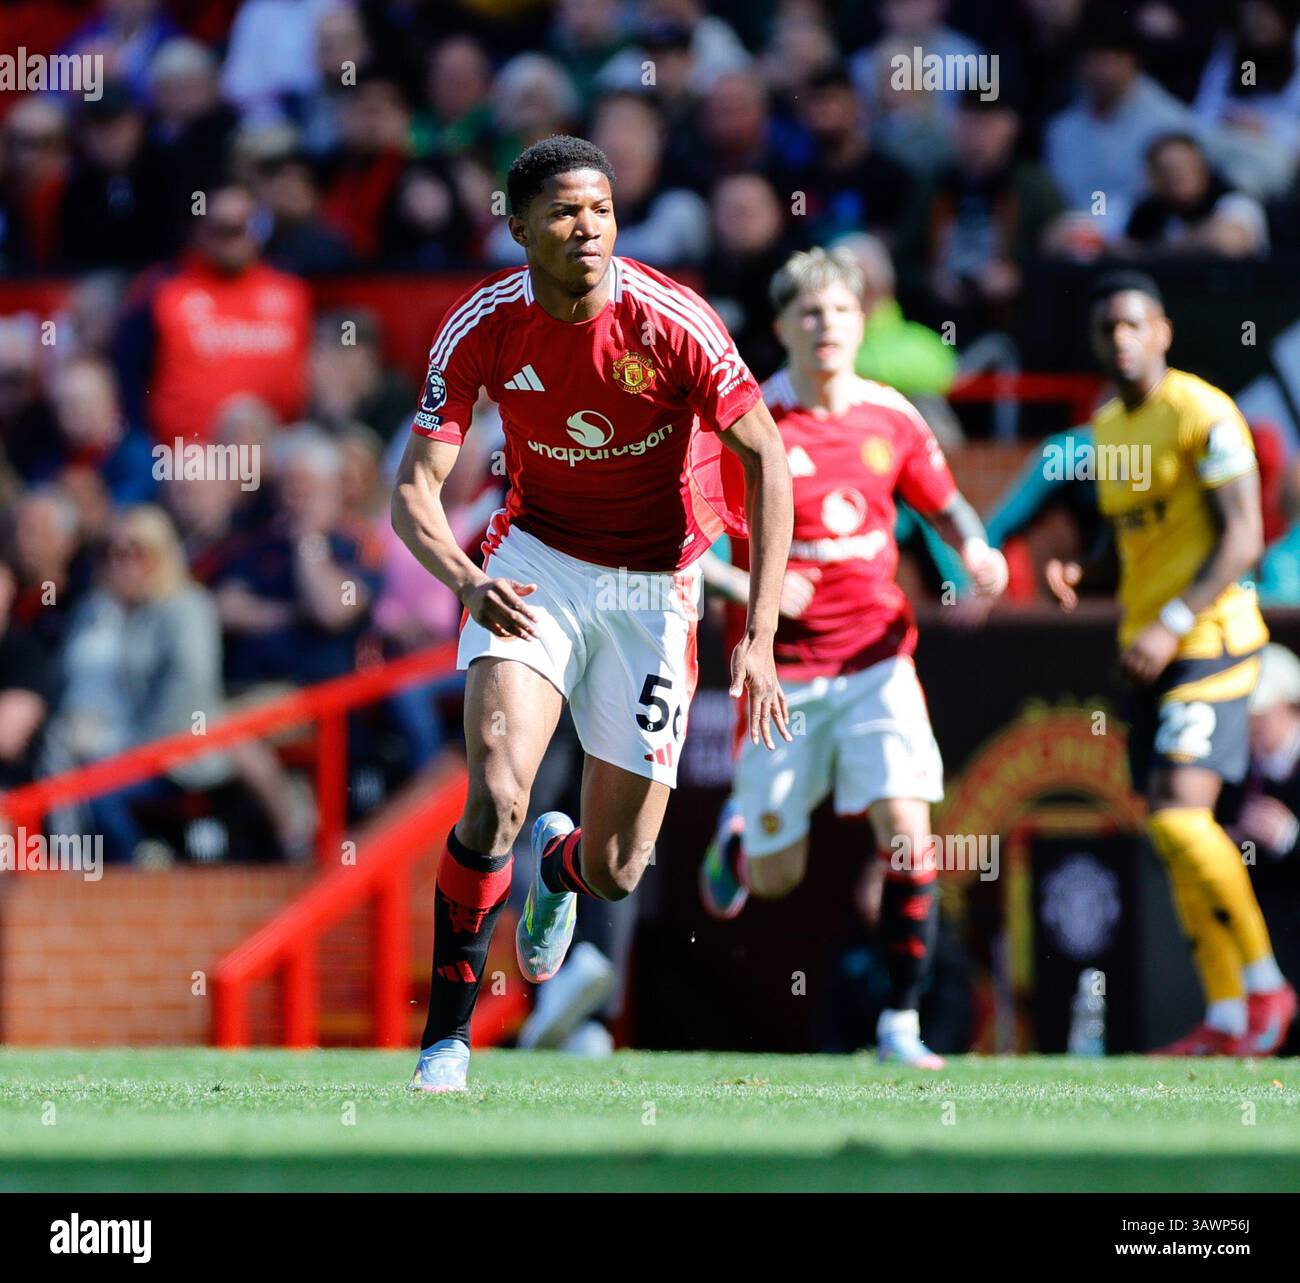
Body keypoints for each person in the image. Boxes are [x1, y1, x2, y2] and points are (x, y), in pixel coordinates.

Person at [391, 134, 793, 1092]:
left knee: (618, 865)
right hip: (534, 565)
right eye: (567, 212)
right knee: (495, 785)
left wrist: (763, 634)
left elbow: (766, 459)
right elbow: (415, 488)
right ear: (519, 225)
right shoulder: (483, 325)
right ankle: (447, 1040)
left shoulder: (673, 320)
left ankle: (558, 871)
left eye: (602, 210)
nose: (589, 228)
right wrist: (463, 577)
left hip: (656, 584)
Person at [695, 246, 1007, 1069]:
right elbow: (683, 551)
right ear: (783, 328)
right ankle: (737, 836)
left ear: (860, 321)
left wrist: (978, 551)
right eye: (809, 313)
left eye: (839, 311)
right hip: (782, 676)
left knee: (911, 839)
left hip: (878, 660)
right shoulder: (748, 423)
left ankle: (900, 1023)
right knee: (776, 876)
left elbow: (947, 508)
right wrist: (750, 582)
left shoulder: (893, 416)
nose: (825, 326)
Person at [1045, 270, 1295, 1056]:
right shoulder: (1109, 424)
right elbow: (1136, 538)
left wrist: (1175, 620)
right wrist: (1086, 574)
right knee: (1169, 827)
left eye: (1133, 324)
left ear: (1162, 331)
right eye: (1106, 329)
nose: (1120, 339)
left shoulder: (1203, 411)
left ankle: (1264, 985)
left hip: (1211, 642)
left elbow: (1244, 535)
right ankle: (1225, 1020)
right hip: (1150, 652)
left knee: (1186, 818)